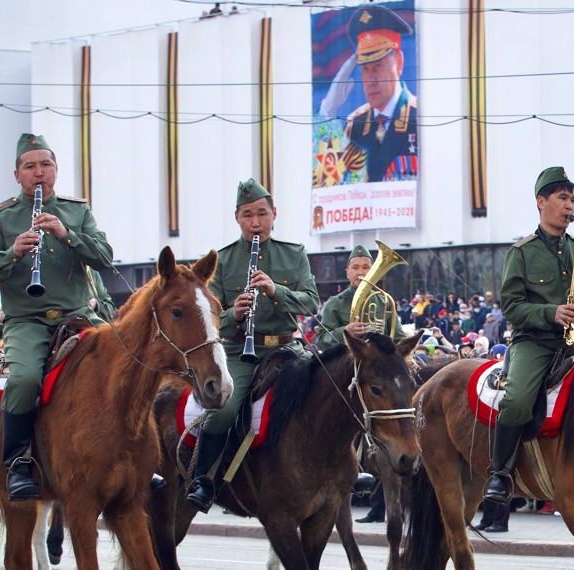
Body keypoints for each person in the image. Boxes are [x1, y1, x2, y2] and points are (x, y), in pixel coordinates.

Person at [0, 134, 113, 501]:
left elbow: (105, 257)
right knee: (25, 378)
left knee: (122, 366)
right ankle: (17, 463)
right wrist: (11, 254)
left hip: (77, 316)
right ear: (18, 175)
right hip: (27, 320)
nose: (38, 173)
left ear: (56, 171)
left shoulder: (77, 211)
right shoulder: (1, 218)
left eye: (45, 165)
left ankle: (135, 460)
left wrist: (67, 234)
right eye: (30, 166)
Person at [187, 179, 319, 513]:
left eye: (262, 213)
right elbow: (210, 316)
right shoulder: (224, 259)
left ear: (274, 214)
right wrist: (233, 313)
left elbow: (311, 304)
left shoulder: (294, 253)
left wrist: (277, 291)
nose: (256, 222)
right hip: (240, 351)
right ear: (237, 218)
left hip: (288, 349)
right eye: (248, 215)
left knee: (328, 393)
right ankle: (203, 480)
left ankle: (343, 472)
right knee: (224, 410)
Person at [482, 167, 574, 504]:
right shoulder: (521, 252)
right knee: (517, 402)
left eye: (573, 200)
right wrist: (550, 313)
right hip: (536, 342)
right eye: (563, 199)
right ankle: (501, 472)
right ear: (542, 202)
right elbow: (511, 306)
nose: (570, 206)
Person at [341, 5, 418, 183]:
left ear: (398, 63)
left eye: (378, 67)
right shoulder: (355, 125)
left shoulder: (418, 118)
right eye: (366, 69)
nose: (371, 79)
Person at [317, 244, 404, 352]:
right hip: (348, 364)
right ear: (347, 273)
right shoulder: (335, 303)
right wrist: (345, 333)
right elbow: (321, 341)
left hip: (381, 364)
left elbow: (399, 338)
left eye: (366, 267)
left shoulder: (385, 301)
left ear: (373, 271)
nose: (360, 272)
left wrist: (408, 357)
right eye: (355, 267)